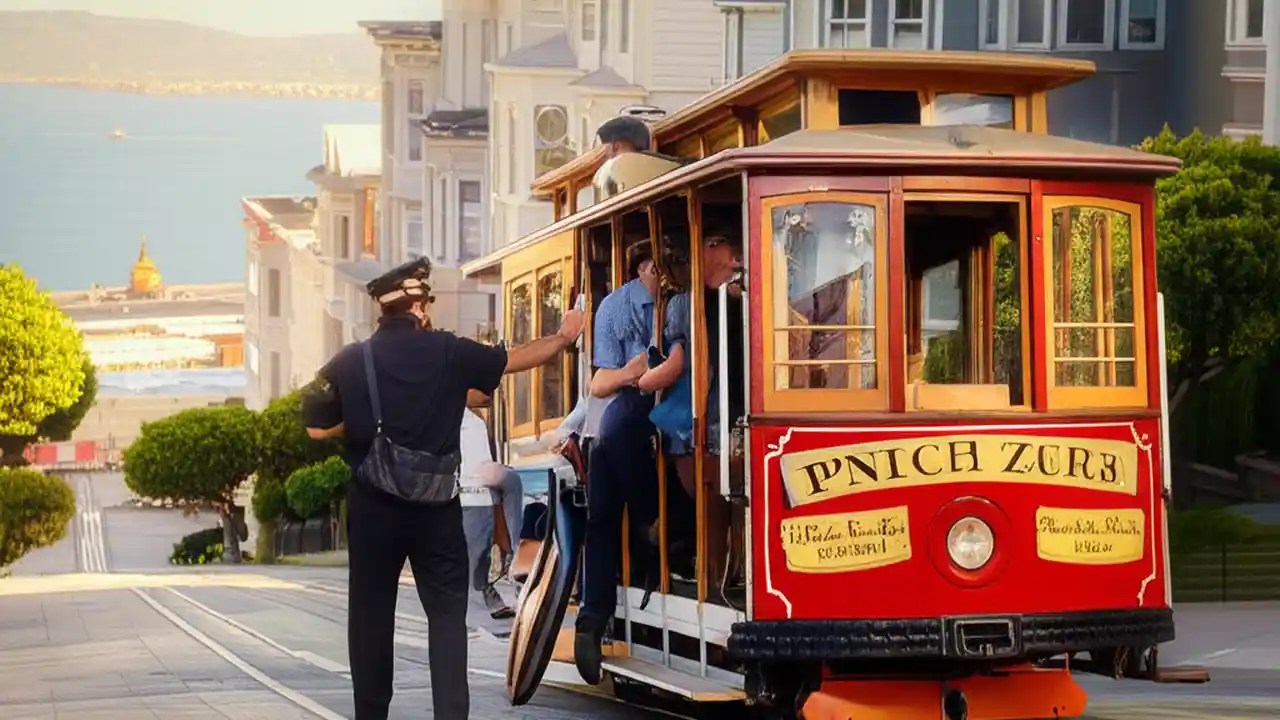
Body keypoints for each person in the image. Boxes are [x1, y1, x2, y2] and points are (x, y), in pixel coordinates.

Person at [302, 257, 584, 720]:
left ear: (383, 309)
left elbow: (317, 428)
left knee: (371, 621)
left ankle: (371, 714)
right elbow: (517, 359)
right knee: (447, 623)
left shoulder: (353, 360)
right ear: (421, 308)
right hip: (436, 513)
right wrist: (565, 334)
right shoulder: (449, 353)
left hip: (374, 512)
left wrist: (364, 423)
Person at [574, 244, 660, 685]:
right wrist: (634, 372)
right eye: (659, 268)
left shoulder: (678, 300)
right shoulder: (615, 308)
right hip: (619, 419)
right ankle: (650, 525)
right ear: (645, 267)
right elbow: (600, 383)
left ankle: (592, 618)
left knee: (615, 438)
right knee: (601, 514)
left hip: (650, 416)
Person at [458, 401, 523, 621]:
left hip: (478, 491)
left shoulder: (475, 423)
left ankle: (516, 561)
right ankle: (515, 563)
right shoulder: (463, 420)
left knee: (506, 486)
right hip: (463, 492)